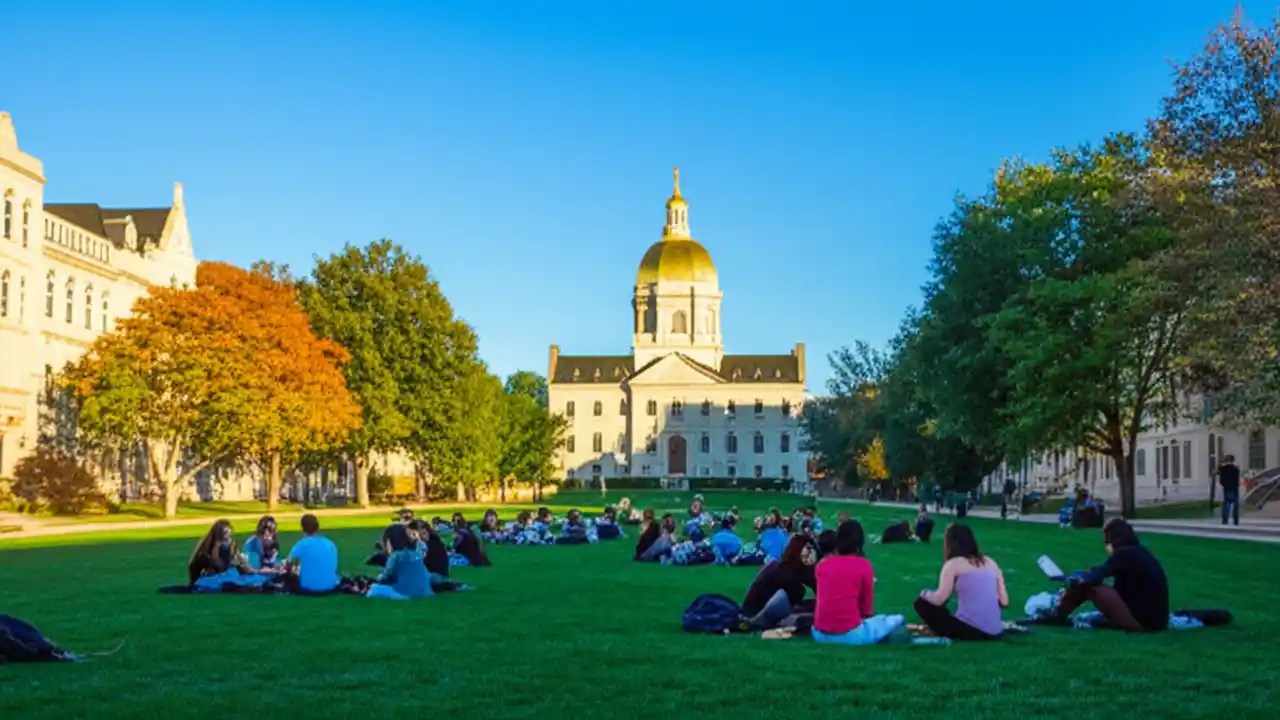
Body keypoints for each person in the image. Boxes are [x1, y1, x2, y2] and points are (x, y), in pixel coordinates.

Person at [1049, 518, 1169, 632]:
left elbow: (1095, 576)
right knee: (1091, 584)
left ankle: (1058, 615)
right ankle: (1058, 613)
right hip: (1157, 622)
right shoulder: (1139, 552)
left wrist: (1074, 580)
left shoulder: (1123, 554)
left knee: (1091, 588)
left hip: (1142, 622)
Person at [812, 520, 904, 645]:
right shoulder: (864, 566)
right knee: (895, 620)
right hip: (850, 634)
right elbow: (866, 610)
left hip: (820, 633)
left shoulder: (822, 565)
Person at [913, 525, 1008, 640]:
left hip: (972, 630)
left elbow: (939, 599)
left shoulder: (953, 564)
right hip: (995, 630)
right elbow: (1004, 602)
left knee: (921, 603)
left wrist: (925, 594)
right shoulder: (990, 562)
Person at [741, 534, 818, 629]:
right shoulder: (783, 573)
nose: (811, 553)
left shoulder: (781, 567)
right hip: (756, 617)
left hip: (752, 613)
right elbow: (813, 590)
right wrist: (811, 568)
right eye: (808, 549)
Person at [188, 519, 279, 591]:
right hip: (213, 576)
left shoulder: (230, 543)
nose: (228, 538)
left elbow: (242, 563)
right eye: (225, 535)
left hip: (226, 573)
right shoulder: (207, 550)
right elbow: (218, 566)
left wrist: (257, 571)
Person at [367, 524, 432, 600]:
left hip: (406, 593)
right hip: (426, 592)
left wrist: (378, 578)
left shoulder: (395, 556)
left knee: (374, 589)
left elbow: (387, 576)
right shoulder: (417, 553)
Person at [286, 514, 341, 594]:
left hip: (307, 588)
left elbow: (288, 563)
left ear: (302, 528)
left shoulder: (301, 544)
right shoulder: (329, 543)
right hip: (331, 586)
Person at [1219, 454, 1241, 526]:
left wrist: (1224, 484)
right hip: (1234, 487)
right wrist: (1237, 485)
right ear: (1232, 460)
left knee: (1227, 504)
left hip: (1226, 487)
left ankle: (1225, 520)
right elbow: (1237, 480)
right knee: (1235, 505)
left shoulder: (1222, 469)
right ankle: (1236, 521)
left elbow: (1221, 480)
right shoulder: (1235, 469)